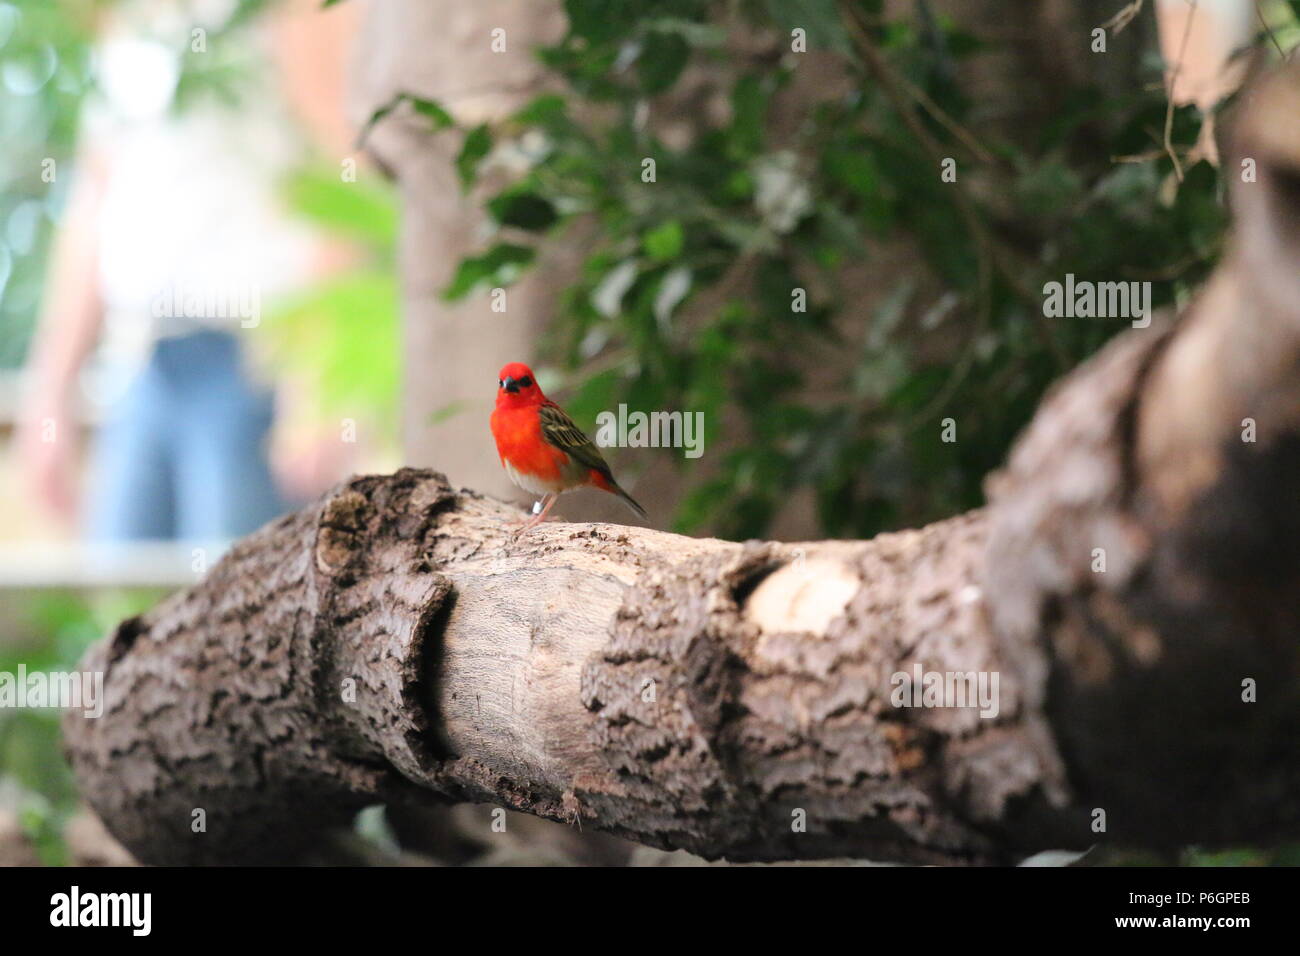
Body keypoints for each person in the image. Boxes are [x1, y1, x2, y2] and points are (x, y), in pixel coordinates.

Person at [15, 0, 358, 543]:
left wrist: (322, 382)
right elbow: (96, 198)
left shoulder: (295, 11)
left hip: (256, 370)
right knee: (126, 610)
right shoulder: (130, 19)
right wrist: (51, 391)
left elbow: (342, 173)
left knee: (241, 611)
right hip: (140, 371)